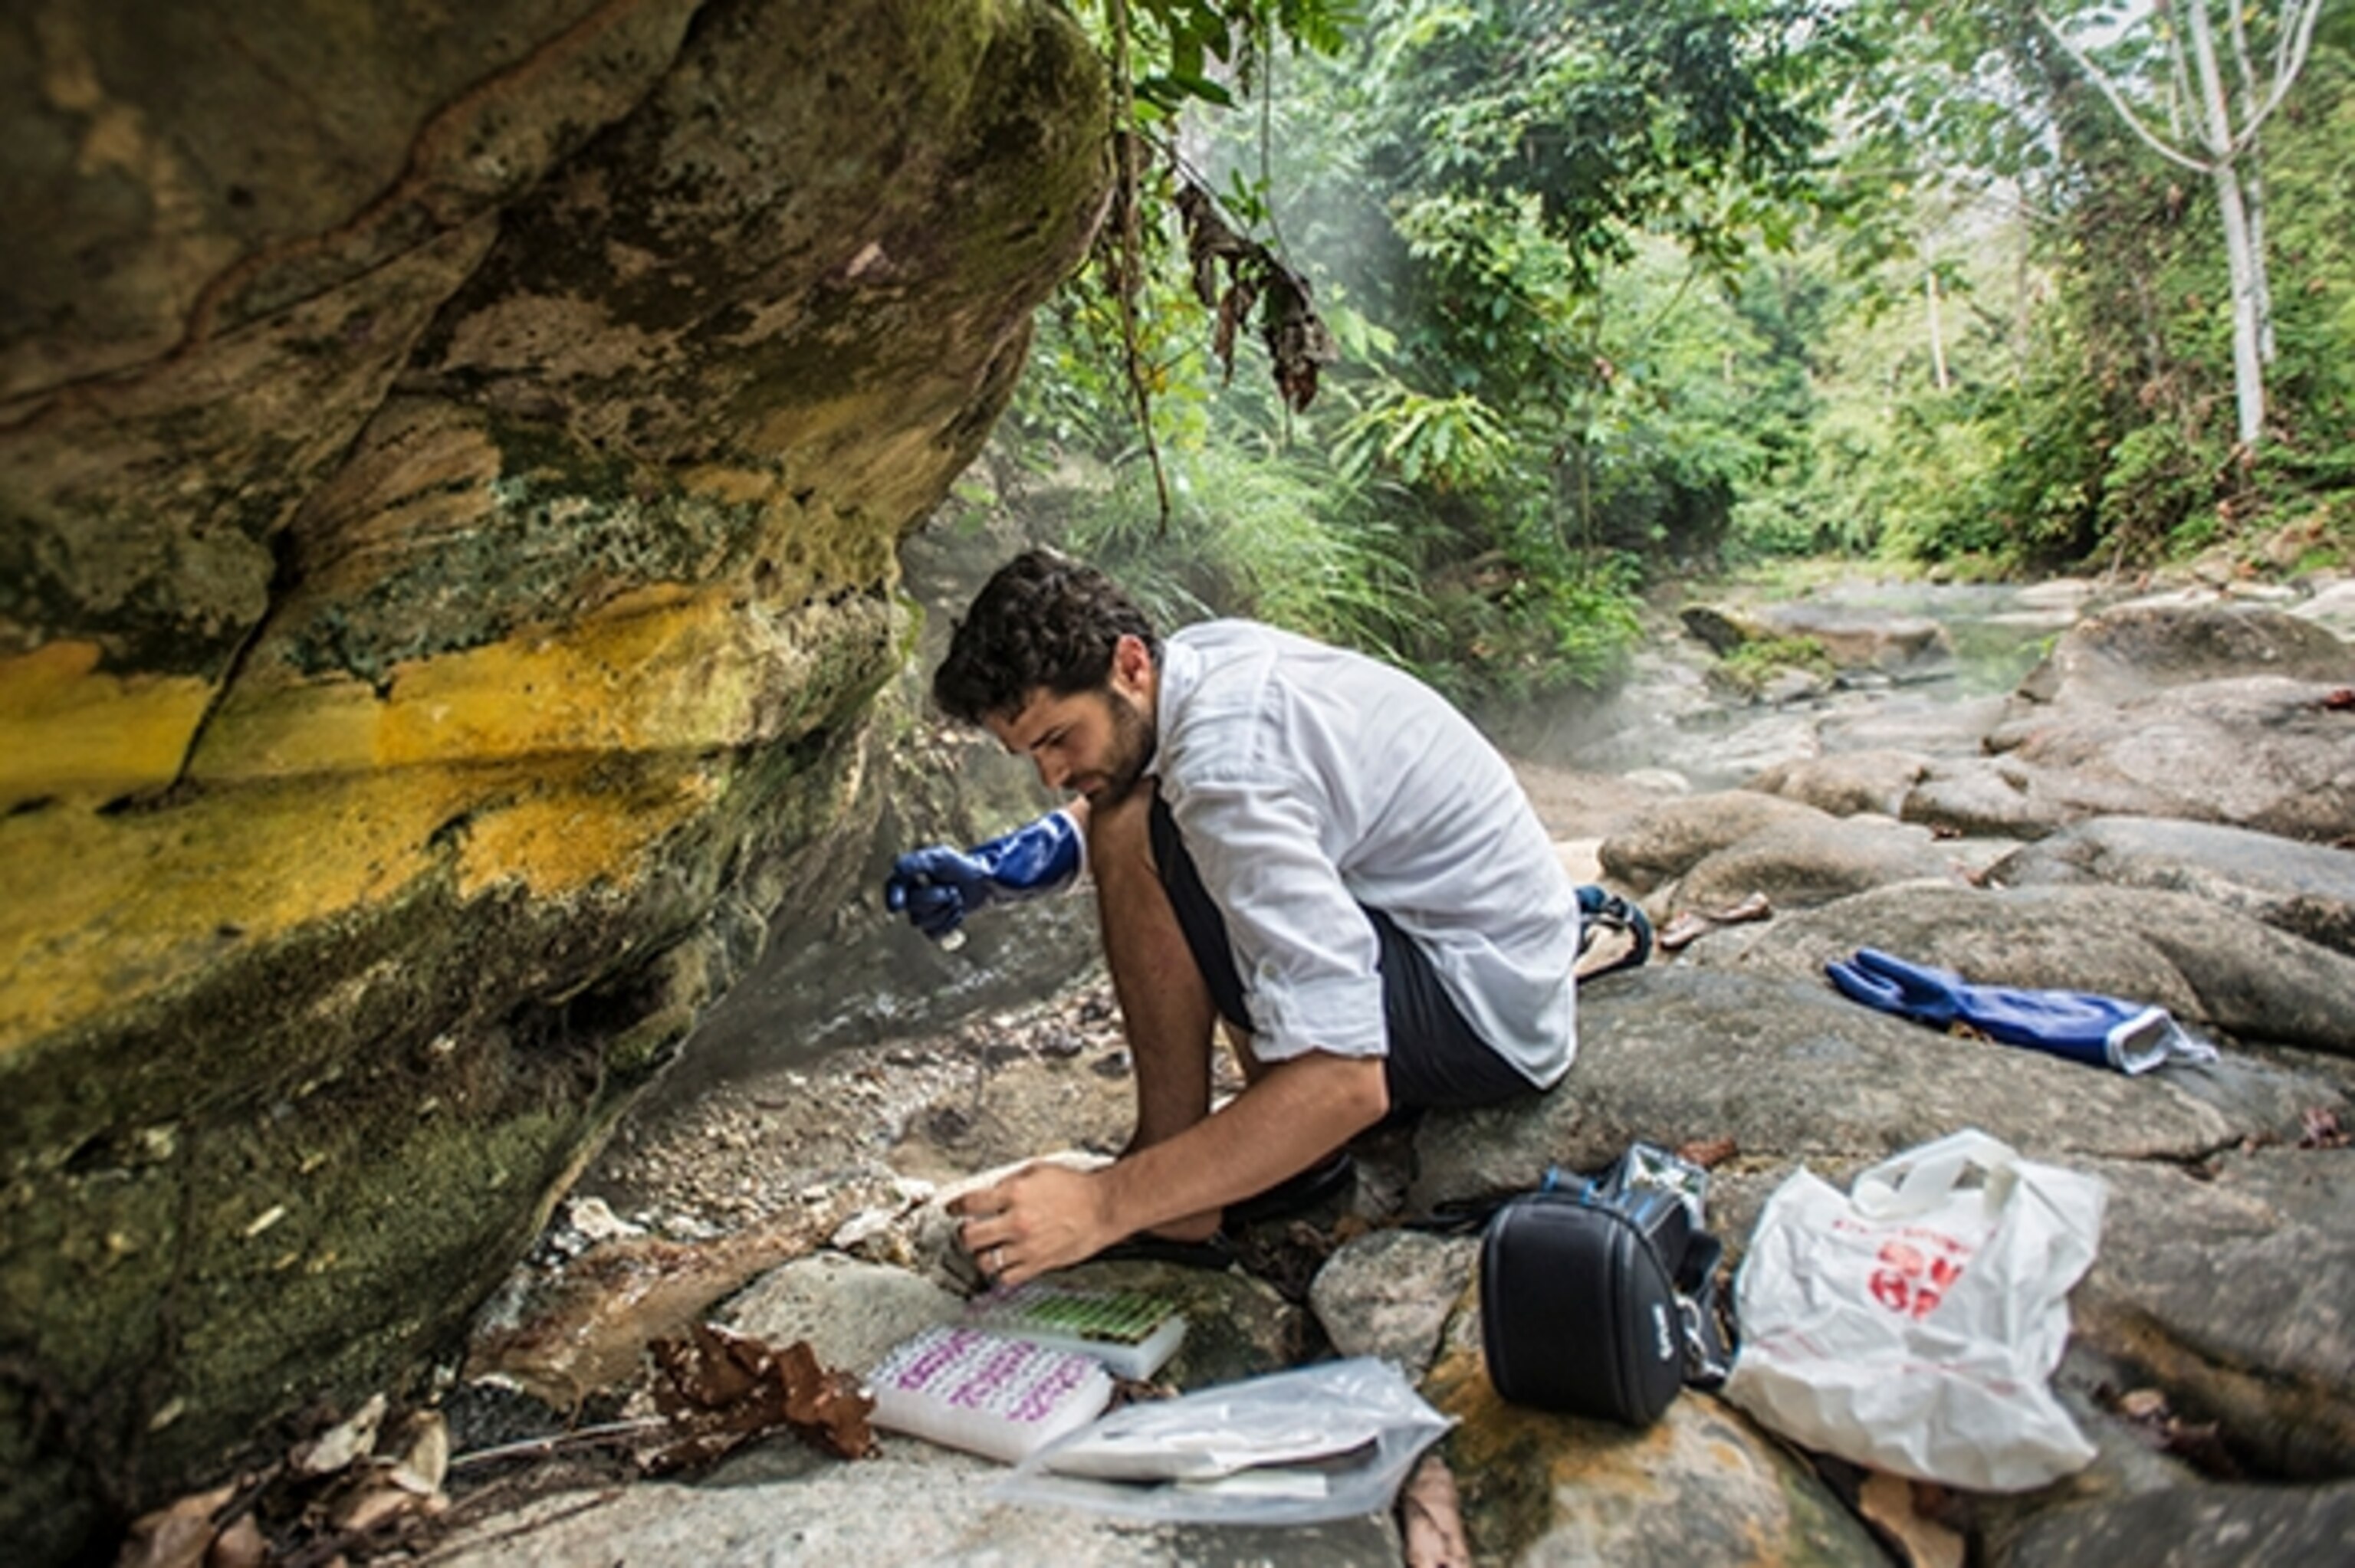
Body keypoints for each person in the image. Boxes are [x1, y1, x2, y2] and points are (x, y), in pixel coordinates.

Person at [886, 549, 1580, 1286]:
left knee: (1129, 820)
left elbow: (1347, 1080)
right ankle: (1216, 1162)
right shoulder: (1199, 665)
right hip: (1485, 953)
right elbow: (1143, 785)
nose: (1052, 776)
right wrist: (1006, 867)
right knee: (1126, 811)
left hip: (1482, 1013)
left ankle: (1206, 1188)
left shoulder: (1228, 772)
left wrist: (1103, 1204)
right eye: (1028, 753)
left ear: (1129, 665)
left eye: (1058, 739)